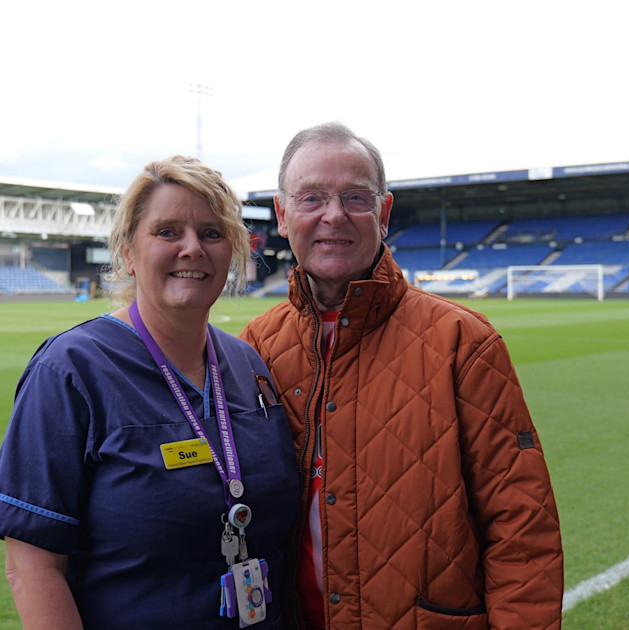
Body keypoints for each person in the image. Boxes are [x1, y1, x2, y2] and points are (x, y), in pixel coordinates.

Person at [240, 123, 564, 629]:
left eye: (355, 197)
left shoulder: (463, 342)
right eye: (311, 198)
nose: (334, 215)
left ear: (384, 213)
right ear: (282, 216)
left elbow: (522, 526)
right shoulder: (254, 348)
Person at [0, 155, 299, 629]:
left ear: (233, 252)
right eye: (167, 232)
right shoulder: (70, 370)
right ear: (127, 251)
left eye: (212, 233)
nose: (192, 248)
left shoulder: (248, 365)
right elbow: (31, 568)